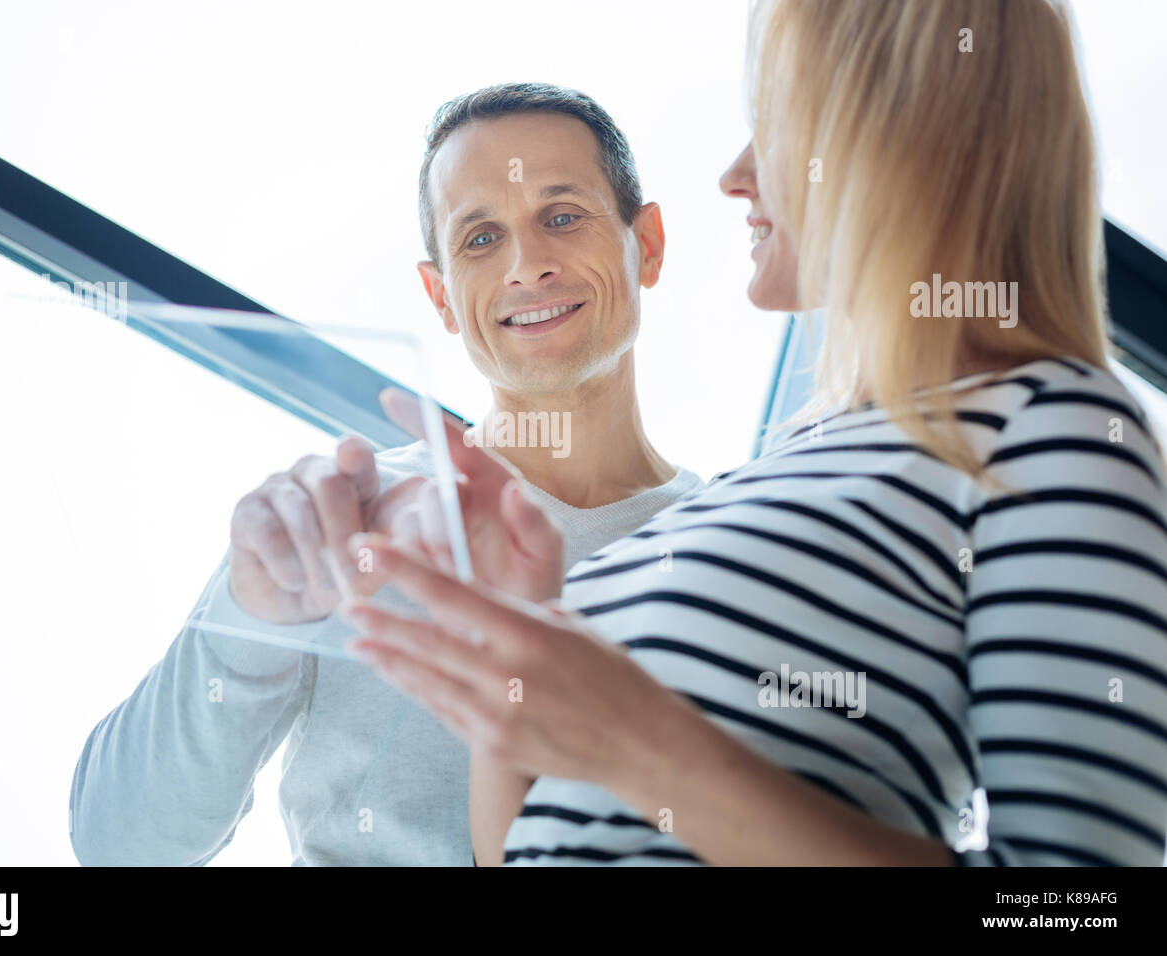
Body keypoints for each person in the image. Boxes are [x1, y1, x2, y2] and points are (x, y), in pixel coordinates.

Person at [344, 0, 1167, 866]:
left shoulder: (1051, 428)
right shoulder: (761, 483)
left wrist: (641, 742)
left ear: (909, 144)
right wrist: (517, 618)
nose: (736, 175)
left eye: (777, 128)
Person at [68, 82, 705, 866]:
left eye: (562, 217)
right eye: (478, 239)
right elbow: (118, 846)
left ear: (650, 243)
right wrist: (254, 618)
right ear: (440, 297)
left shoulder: (734, 545)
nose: (527, 265)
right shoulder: (347, 519)